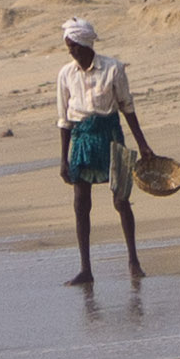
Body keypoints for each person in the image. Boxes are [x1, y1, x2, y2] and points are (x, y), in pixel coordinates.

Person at [54, 16, 152, 285]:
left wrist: (143, 145)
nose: (71, 52)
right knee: (81, 203)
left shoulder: (113, 69)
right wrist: (63, 159)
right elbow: (64, 120)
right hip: (82, 139)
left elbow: (127, 107)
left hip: (110, 134)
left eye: (74, 46)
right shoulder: (66, 74)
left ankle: (133, 260)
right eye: (69, 47)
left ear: (86, 45)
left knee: (121, 199)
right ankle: (85, 268)